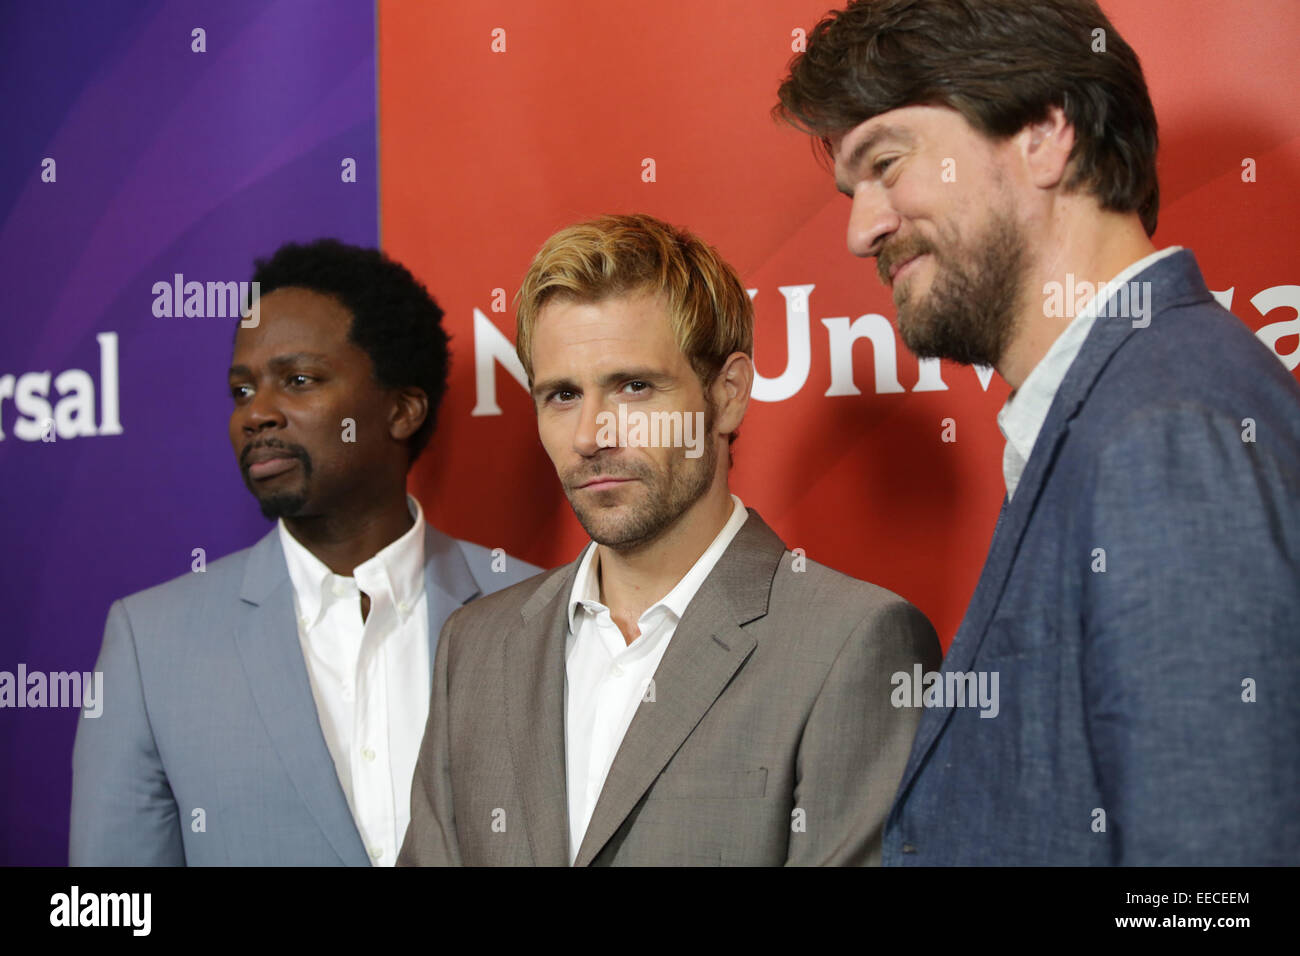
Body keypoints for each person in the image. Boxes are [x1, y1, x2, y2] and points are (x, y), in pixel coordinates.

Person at [777, 0, 1300, 864]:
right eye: (850, 187)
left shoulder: (1162, 438)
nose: (859, 228)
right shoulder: (1132, 405)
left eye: (889, 162)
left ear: (1046, 133)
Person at [397, 213, 940, 867]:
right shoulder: (475, 646)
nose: (592, 435)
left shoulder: (852, 643)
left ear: (729, 395)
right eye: (562, 395)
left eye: (633, 387)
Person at [70, 239, 540, 865]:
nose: (257, 413)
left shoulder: (536, 607)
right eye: (241, 391)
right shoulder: (151, 643)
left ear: (402, 410)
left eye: (298, 380)